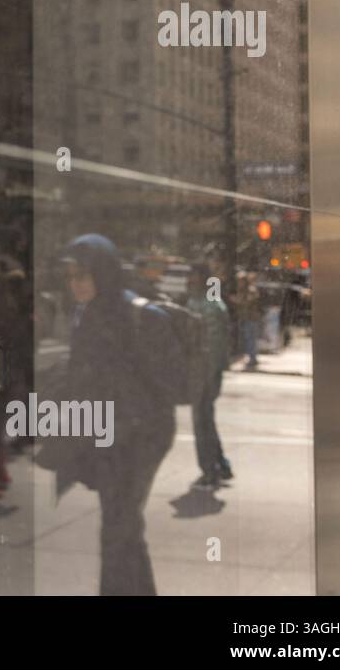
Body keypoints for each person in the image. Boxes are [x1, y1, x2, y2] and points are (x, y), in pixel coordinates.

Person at [40, 235, 178, 596]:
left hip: (139, 438)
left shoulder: (134, 316)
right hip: (111, 435)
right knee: (123, 528)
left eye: (83, 275)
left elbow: (163, 387)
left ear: (103, 273)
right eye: (69, 277)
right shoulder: (88, 315)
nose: (75, 284)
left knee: (119, 527)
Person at [186, 265, 233, 487]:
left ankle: (209, 469)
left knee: (201, 420)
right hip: (210, 369)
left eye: (193, 277)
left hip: (202, 370)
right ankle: (220, 465)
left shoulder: (199, 305)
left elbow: (208, 341)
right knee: (207, 418)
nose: (190, 280)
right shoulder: (212, 302)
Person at [231, 271, 264, 370]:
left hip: (252, 319)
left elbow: (248, 301)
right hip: (246, 318)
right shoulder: (242, 291)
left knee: (251, 339)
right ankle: (250, 357)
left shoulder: (251, 290)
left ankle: (252, 358)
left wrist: (237, 300)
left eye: (240, 281)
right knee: (248, 339)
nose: (239, 283)